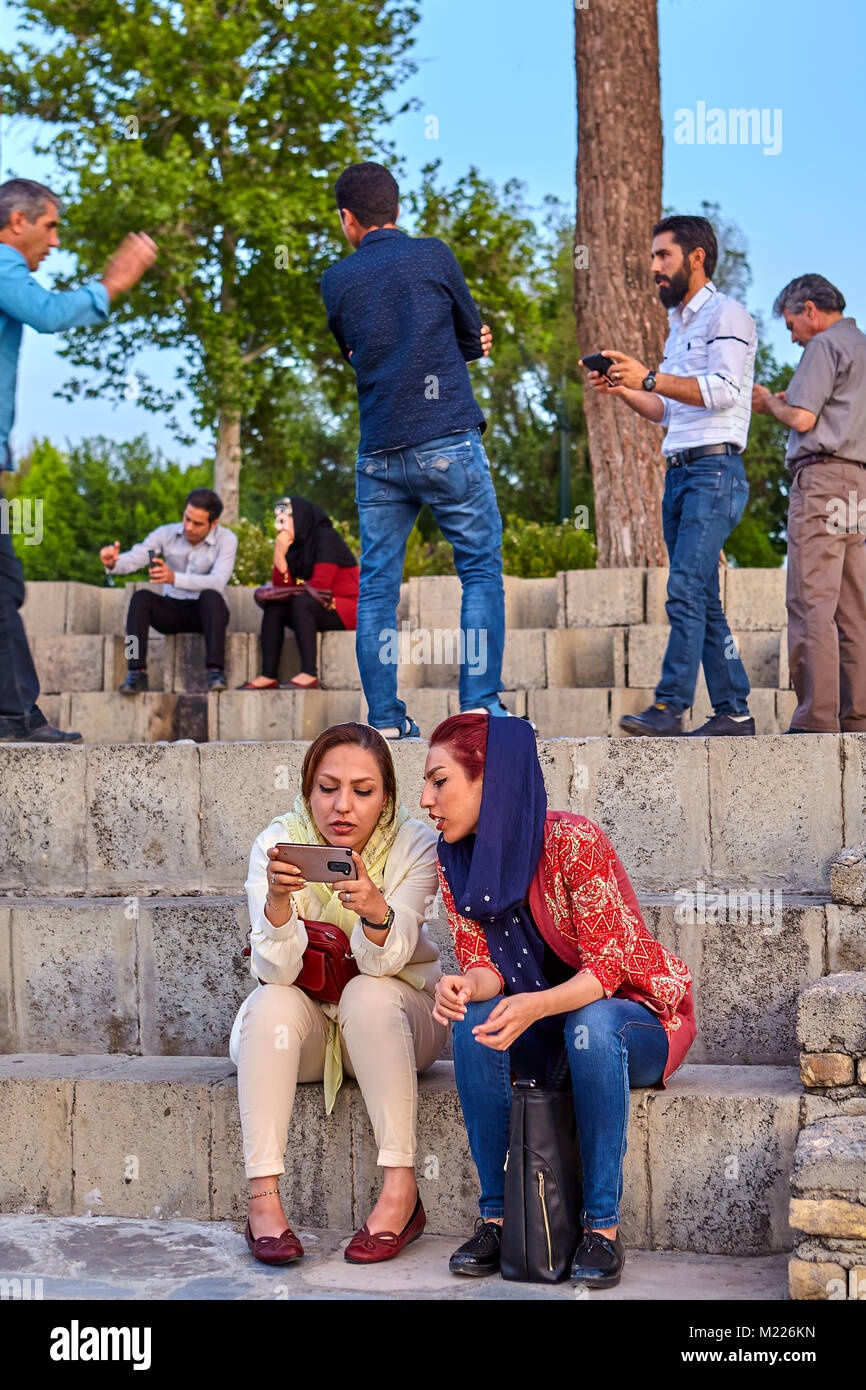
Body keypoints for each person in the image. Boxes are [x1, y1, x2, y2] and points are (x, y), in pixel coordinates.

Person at [422, 712, 696, 1288]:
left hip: (631, 1023)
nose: (426, 799)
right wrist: (465, 985)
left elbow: (607, 969)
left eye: (439, 781)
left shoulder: (572, 840)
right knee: (473, 1018)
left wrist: (536, 1006)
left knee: (590, 1024)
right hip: (545, 1029)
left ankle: (602, 1228)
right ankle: (497, 1216)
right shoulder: (455, 859)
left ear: (489, 782)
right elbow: (486, 967)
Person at [229, 721, 447, 1266]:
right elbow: (275, 972)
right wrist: (279, 904)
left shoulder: (414, 844)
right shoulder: (276, 844)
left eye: (362, 791)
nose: (342, 806)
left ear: (388, 797)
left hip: (397, 1022)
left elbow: (387, 961)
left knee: (368, 994)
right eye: (327, 789)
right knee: (267, 1005)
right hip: (305, 1027)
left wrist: (375, 909)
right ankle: (263, 1202)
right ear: (308, 791)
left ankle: (401, 1193)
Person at [320, 161, 521, 740]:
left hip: (380, 452)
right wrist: (466, 346)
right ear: (398, 210)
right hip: (447, 440)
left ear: (348, 219)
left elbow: (357, 354)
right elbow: (470, 334)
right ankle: (480, 704)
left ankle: (384, 719)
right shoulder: (433, 256)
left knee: (378, 585)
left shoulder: (337, 280)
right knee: (480, 568)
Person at [582, 214, 757, 739]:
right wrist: (626, 388)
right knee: (701, 596)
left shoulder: (728, 314)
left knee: (683, 588)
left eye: (664, 256)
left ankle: (669, 707)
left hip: (716, 471)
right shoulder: (679, 325)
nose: (654, 267)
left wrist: (653, 376)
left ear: (696, 257)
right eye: (654, 257)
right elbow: (666, 408)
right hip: (680, 473)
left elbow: (724, 388)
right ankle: (734, 712)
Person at [0, 177, 156, 743]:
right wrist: (109, 286)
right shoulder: (1, 261)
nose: (56, 240)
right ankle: (16, 716)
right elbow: (44, 312)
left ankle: (16, 715)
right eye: (51, 225)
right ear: (17, 222)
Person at [753, 275, 866, 733]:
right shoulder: (861, 345)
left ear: (810, 310)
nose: (793, 335)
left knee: (810, 601)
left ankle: (816, 722)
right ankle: (857, 719)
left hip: (822, 480)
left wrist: (766, 403)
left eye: (791, 324)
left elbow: (802, 416)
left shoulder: (823, 346)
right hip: (858, 485)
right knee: (854, 608)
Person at [100, 488, 237, 693]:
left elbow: (217, 581)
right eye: (187, 518)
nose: (189, 527)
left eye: (197, 523)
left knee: (212, 597)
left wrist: (175, 578)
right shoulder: (165, 534)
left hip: (207, 614)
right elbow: (136, 557)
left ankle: (215, 671)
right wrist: (113, 563)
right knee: (139, 599)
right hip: (172, 610)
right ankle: (136, 671)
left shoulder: (227, 539)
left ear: (213, 524)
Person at [240, 496, 359, 691]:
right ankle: (268, 675)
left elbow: (320, 586)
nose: (279, 528)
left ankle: (308, 673)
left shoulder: (327, 538)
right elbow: (281, 589)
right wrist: (279, 555)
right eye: (277, 522)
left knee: (301, 602)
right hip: (316, 606)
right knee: (275, 605)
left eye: (283, 521)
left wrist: (291, 586)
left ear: (300, 517)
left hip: (345, 608)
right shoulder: (294, 547)